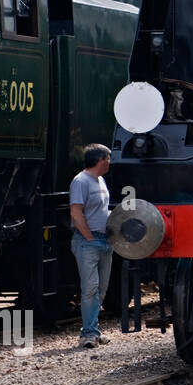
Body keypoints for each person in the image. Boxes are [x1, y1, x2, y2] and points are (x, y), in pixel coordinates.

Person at [70, 144, 114, 349]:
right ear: (100, 160)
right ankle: (88, 334)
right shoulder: (81, 181)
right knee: (90, 289)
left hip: (105, 241)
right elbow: (76, 212)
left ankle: (94, 330)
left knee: (101, 289)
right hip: (89, 241)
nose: (110, 162)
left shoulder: (101, 180)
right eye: (108, 158)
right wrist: (89, 238)